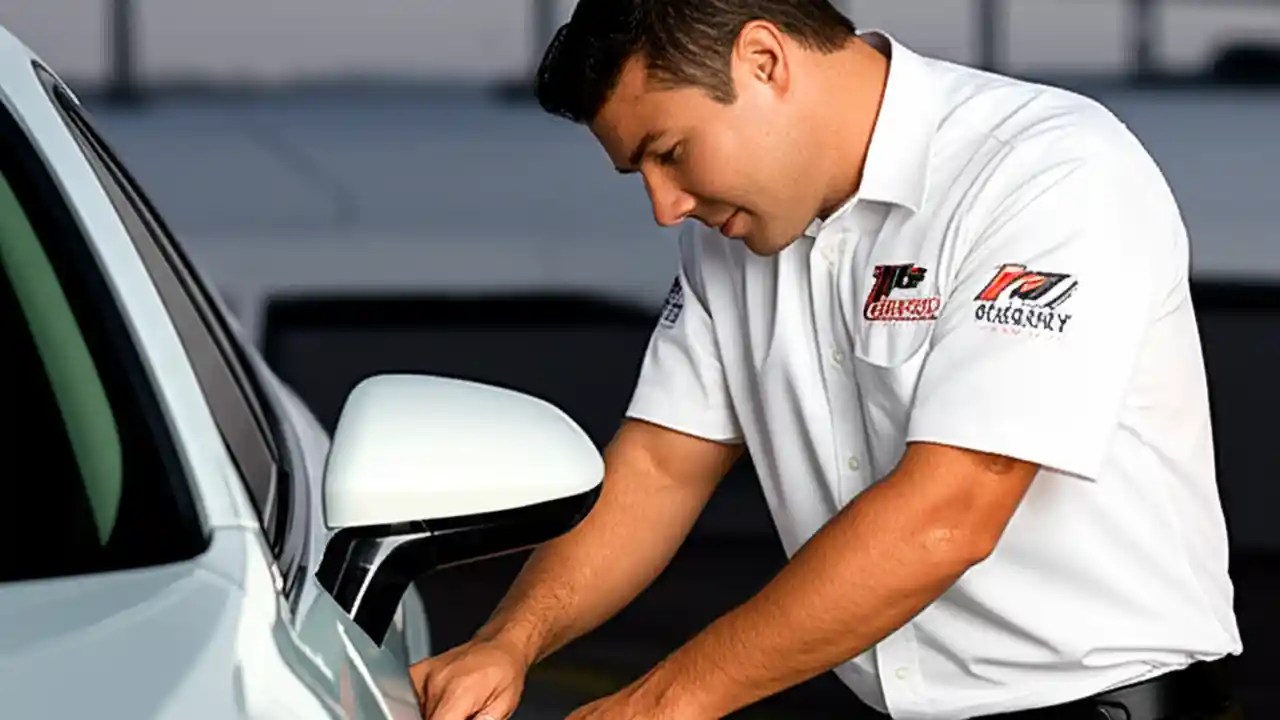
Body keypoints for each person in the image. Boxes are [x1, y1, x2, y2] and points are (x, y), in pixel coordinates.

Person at [410, 1, 1245, 718]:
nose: (665, 208)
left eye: (669, 153)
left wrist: (662, 703)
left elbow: (948, 514)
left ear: (764, 59)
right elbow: (661, 465)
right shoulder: (729, 240)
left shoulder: (1047, 170)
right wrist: (507, 644)